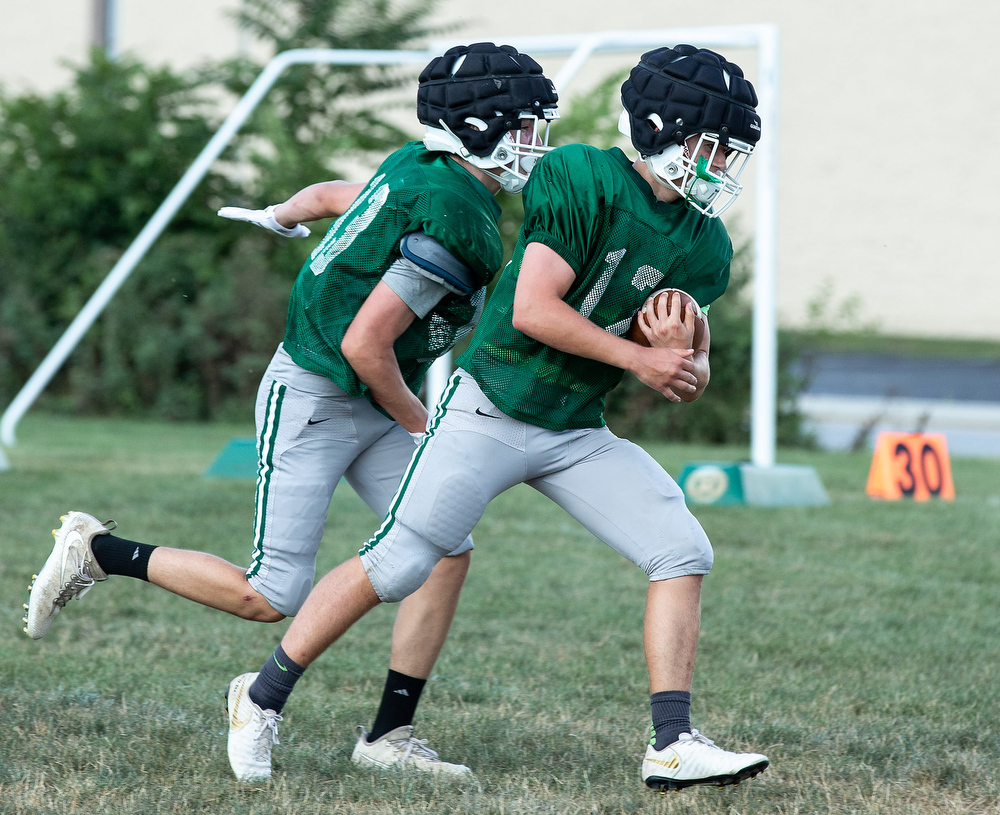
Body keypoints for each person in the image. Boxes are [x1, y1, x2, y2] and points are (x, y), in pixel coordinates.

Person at [222, 44, 770, 791]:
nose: (721, 165)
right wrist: (637, 358)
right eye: (713, 146)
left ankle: (670, 742)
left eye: (729, 152)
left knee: (681, 548)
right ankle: (260, 697)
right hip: (490, 405)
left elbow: (691, 372)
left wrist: (680, 359)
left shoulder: (703, 242)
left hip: (574, 429)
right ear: (662, 128)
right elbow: (532, 309)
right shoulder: (582, 177)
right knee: (399, 563)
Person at [23, 42, 559, 780]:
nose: (538, 143)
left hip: (370, 391)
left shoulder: (422, 169)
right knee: (269, 594)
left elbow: (341, 195)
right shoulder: (451, 213)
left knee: (446, 547)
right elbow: (366, 345)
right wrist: (424, 425)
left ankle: (388, 736)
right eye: (527, 126)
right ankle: (98, 550)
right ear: (478, 128)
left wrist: (283, 213)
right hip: (320, 392)